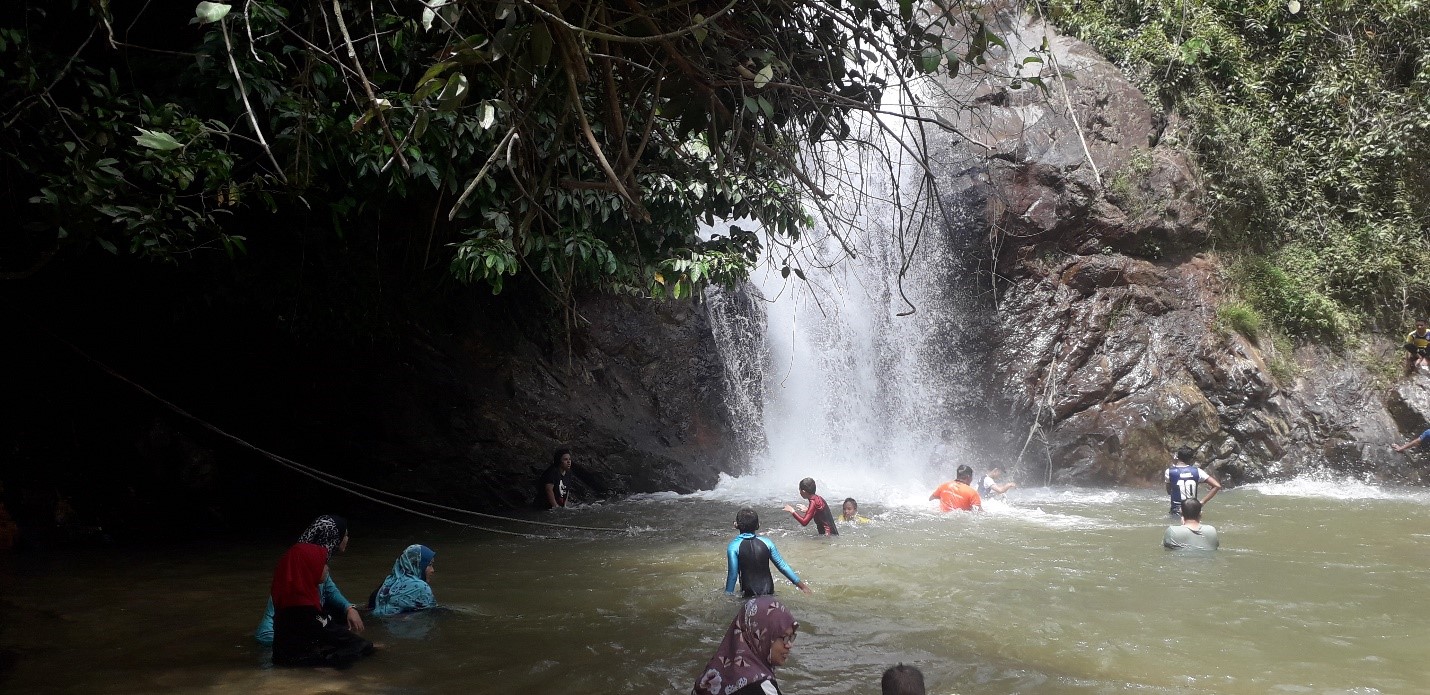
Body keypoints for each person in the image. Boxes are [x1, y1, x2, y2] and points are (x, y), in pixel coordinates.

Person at [268, 523, 374, 667]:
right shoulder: (305, 608)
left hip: (288, 658)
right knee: (364, 648)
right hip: (300, 663)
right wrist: (367, 645)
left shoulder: (288, 600)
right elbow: (338, 635)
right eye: (323, 564)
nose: (327, 568)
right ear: (310, 568)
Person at [256, 515, 363, 646]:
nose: (347, 539)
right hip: (273, 639)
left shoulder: (317, 565)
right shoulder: (299, 571)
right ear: (334, 538)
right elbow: (270, 628)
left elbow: (331, 590)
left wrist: (349, 608)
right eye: (345, 535)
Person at [692, 596, 799, 695]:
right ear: (761, 638)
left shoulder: (710, 677)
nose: (789, 645)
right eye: (784, 637)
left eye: (791, 637)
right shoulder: (762, 688)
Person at [726, 508, 811, 597]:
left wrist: (727, 596)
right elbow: (783, 567)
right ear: (758, 525)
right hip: (770, 594)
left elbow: (732, 576)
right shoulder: (767, 543)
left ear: (736, 525)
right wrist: (803, 587)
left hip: (748, 597)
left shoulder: (733, 547)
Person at [369, 544, 437, 617]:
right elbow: (431, 614)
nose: (432, 570)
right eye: (429, 565)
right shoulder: (421, 587)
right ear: (416, 564)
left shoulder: (388, 582)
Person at [1165, 446, 1221, 516]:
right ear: (1191, 459)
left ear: (1177, 457)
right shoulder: (1197, 471)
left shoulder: (1169, 472)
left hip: (1177, 510)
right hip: (1193, 510)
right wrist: (1202, 502)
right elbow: (1217, 486)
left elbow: (1169, 491)